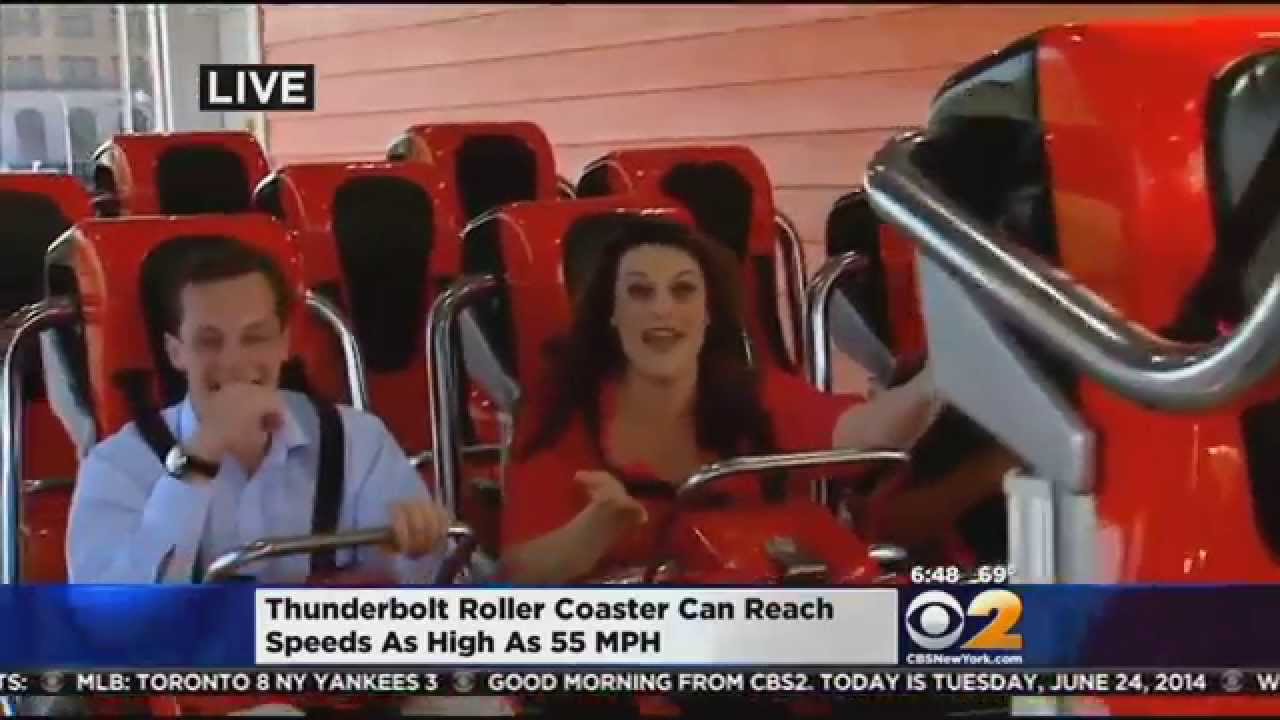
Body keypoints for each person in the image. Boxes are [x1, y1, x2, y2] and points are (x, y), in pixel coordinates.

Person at [500, 216, 944, 584]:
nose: (662, 309)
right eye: (639, 292)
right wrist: (595, 530)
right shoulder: (562, 415)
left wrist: (942, 375)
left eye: (683, 290)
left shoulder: (754, 396)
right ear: (611, 313)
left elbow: (869, 434)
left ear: (708, 312)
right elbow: (518, 574)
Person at [66, 236, 452, 585]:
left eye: (255, 338)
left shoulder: (359, 442)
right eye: (209, 341)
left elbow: (430, 596)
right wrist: (199, 457)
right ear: (176, 352)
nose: (234, 363)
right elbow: (112, 620)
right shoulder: (118, 465)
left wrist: (417, 547)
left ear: (284, 344)